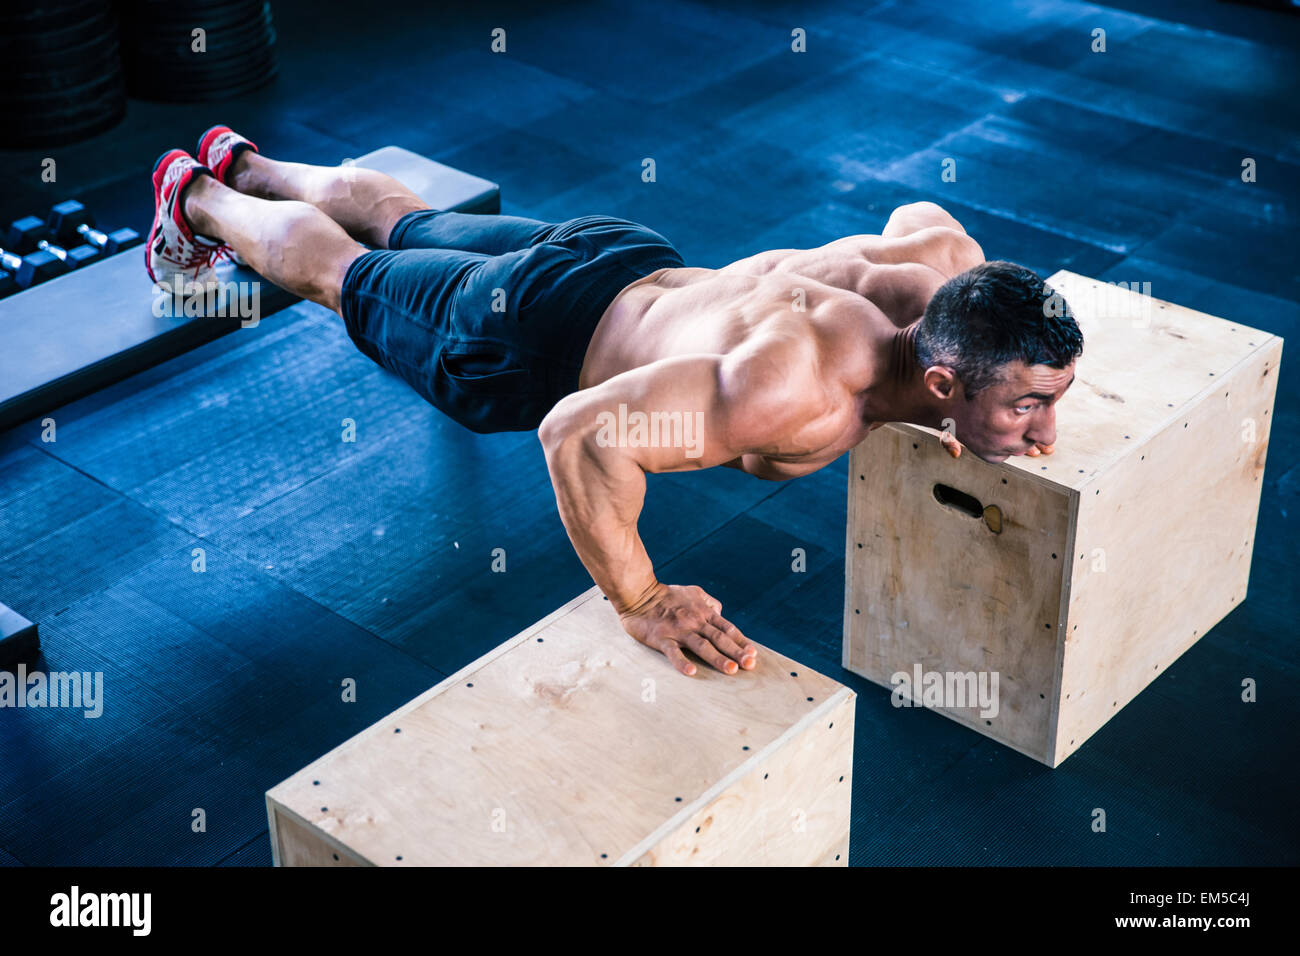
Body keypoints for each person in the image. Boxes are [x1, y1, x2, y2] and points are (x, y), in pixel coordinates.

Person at [147, 127, 1083, 678]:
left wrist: (997, 397)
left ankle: (250, 163)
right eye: (1026, 408)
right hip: (522, 343)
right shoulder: (794, 392)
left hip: (620, 256)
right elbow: (583, 432)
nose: (1042, 430)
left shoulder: (945, 270)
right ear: (942, 384)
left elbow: (925, 214)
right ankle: (198, 200)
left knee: (407, 222)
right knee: (341, 270)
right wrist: (640, 597)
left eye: (1044, 403)